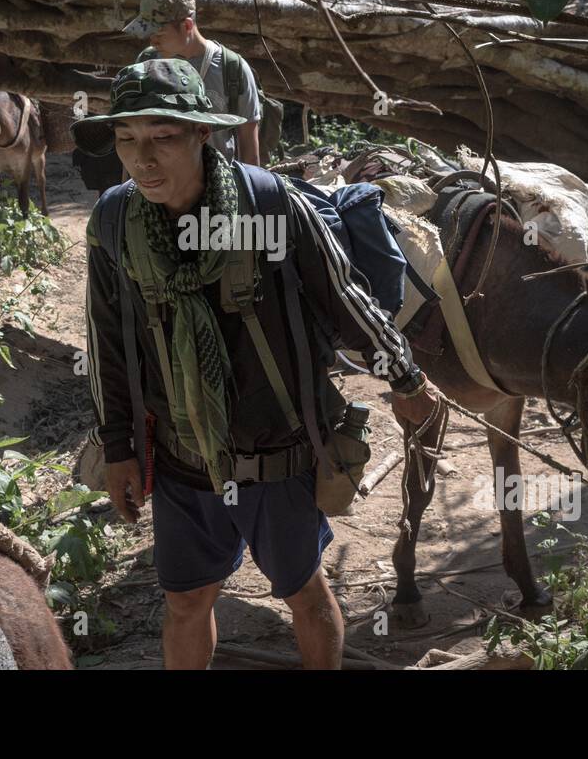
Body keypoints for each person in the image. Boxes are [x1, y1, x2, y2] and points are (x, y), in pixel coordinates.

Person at [75, 59, 448, 669]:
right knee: (186, 601)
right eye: (126, 139)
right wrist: (118, 447)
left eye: (162, 137)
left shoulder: (268, 204)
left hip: (275, 452)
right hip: (180, 456)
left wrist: (403, 375)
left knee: (303, 590)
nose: (142, 158)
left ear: (202, 134)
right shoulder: (114, 221)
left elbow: (343, 294)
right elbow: (108, 345)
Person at [72, 0, 264, 194]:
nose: (152, 41)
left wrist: (249, 197)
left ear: (187, 26)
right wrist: (127, 193)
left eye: (159, 33)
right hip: (157, 186)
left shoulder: (231, 68)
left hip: (216, 189)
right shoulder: (147, 63)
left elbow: (249, 143)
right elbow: (132, 124)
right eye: (149, 33)